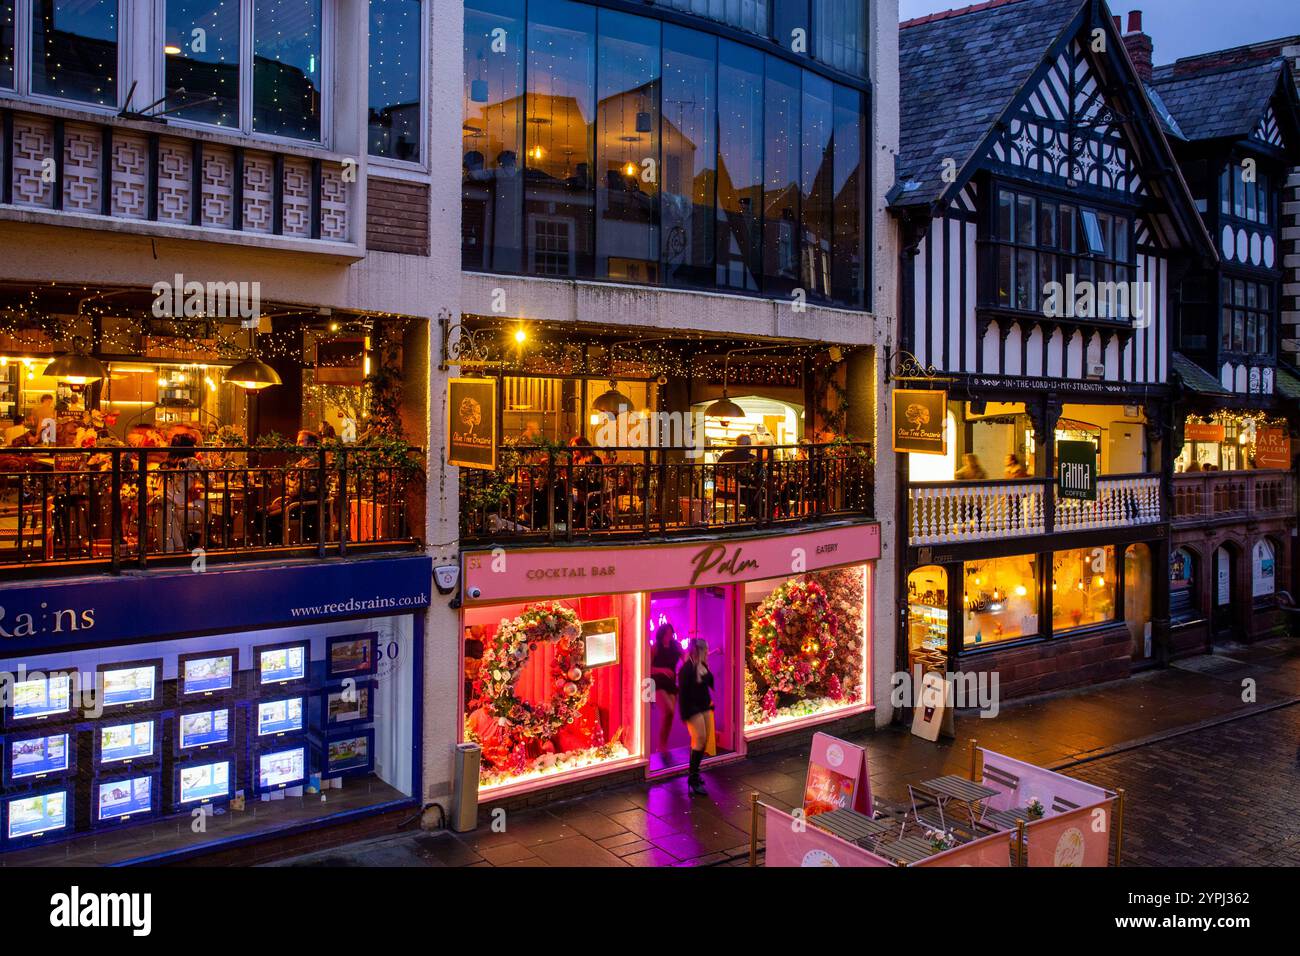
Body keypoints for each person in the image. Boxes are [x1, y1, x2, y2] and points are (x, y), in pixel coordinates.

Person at [677, 637, 716, 796]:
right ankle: (692, 778)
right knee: (699, 738)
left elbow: (711, 684)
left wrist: (705, 672)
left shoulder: (703, 665)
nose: (707, 653)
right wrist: (685, 715)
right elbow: (684, 695)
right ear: (697, 651)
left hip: (704, 704)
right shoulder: (686, 670)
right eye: (705, 651)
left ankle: (696, 773)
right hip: (691, 708)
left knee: (704, 739)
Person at [161, 433, 204, 552]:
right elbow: (209, 481)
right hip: (182, 505)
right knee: (204, 505)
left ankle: (177, 545)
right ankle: (186, 544)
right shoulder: (192, 462)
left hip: (172, 502)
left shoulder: (167, 463)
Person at [650, 623, 684, 753]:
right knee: (668, 710)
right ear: (661, 634)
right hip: (658, 682)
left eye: (670, 633)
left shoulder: (676, 646)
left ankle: (663, 745)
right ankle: (660, 745)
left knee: (669, 716)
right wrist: (663, 670)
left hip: (671, 683)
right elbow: (648, 667)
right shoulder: (655, 647)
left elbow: (686, 658)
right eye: (666, 633)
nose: (669, 636)